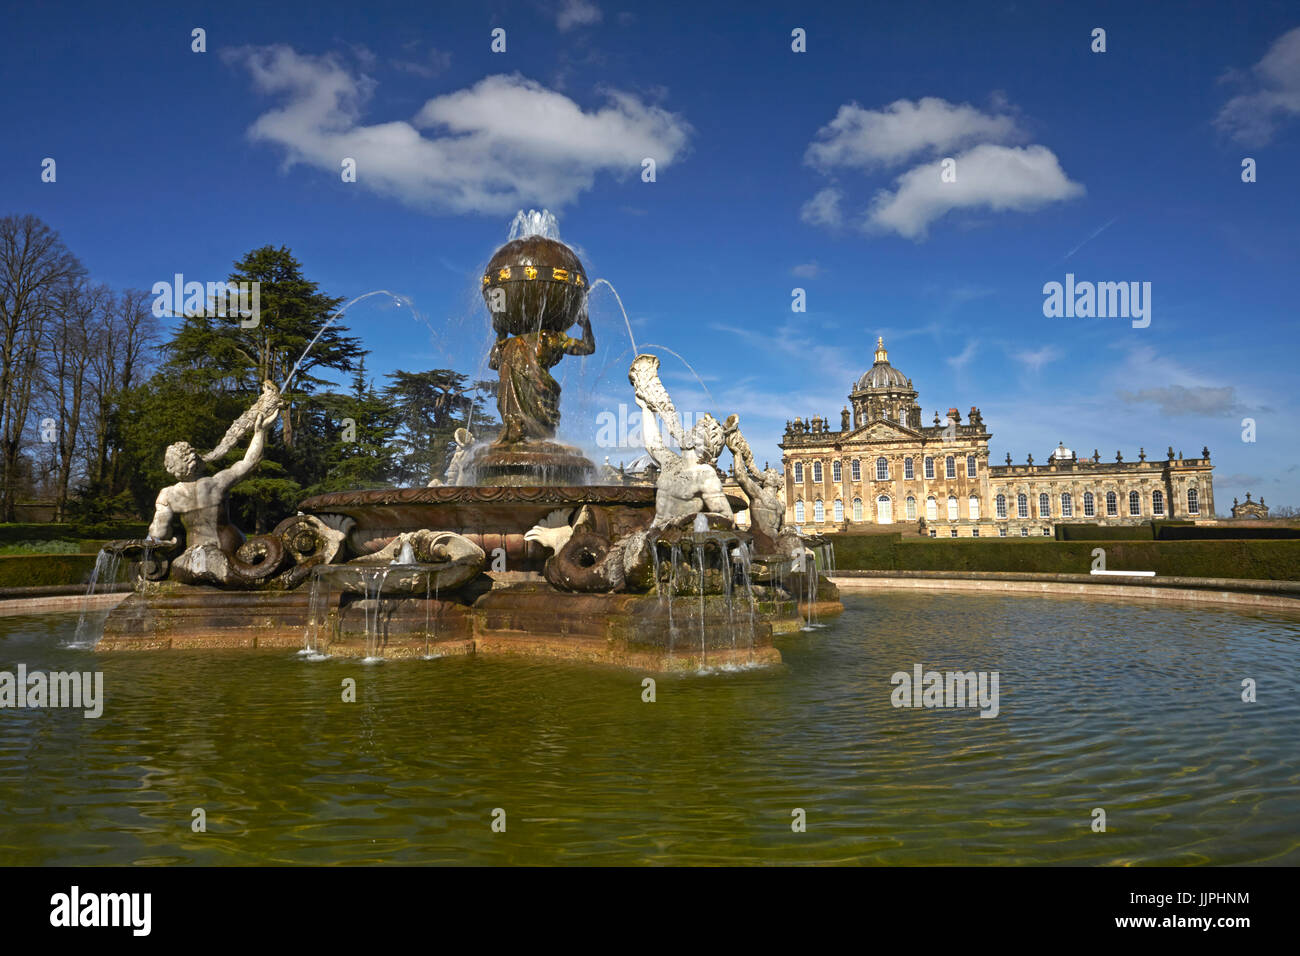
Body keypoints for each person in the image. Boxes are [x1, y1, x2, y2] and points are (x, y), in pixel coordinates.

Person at [147, 402, 280, 586]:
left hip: (195, 554)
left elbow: (159, 532)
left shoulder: (167, 495)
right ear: (193, 462)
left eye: (169, 464)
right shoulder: (215, 483)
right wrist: (260, 432)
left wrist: (172, 537)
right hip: (231, 547)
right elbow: (249, 462)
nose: (167, 467)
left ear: (174, 467)